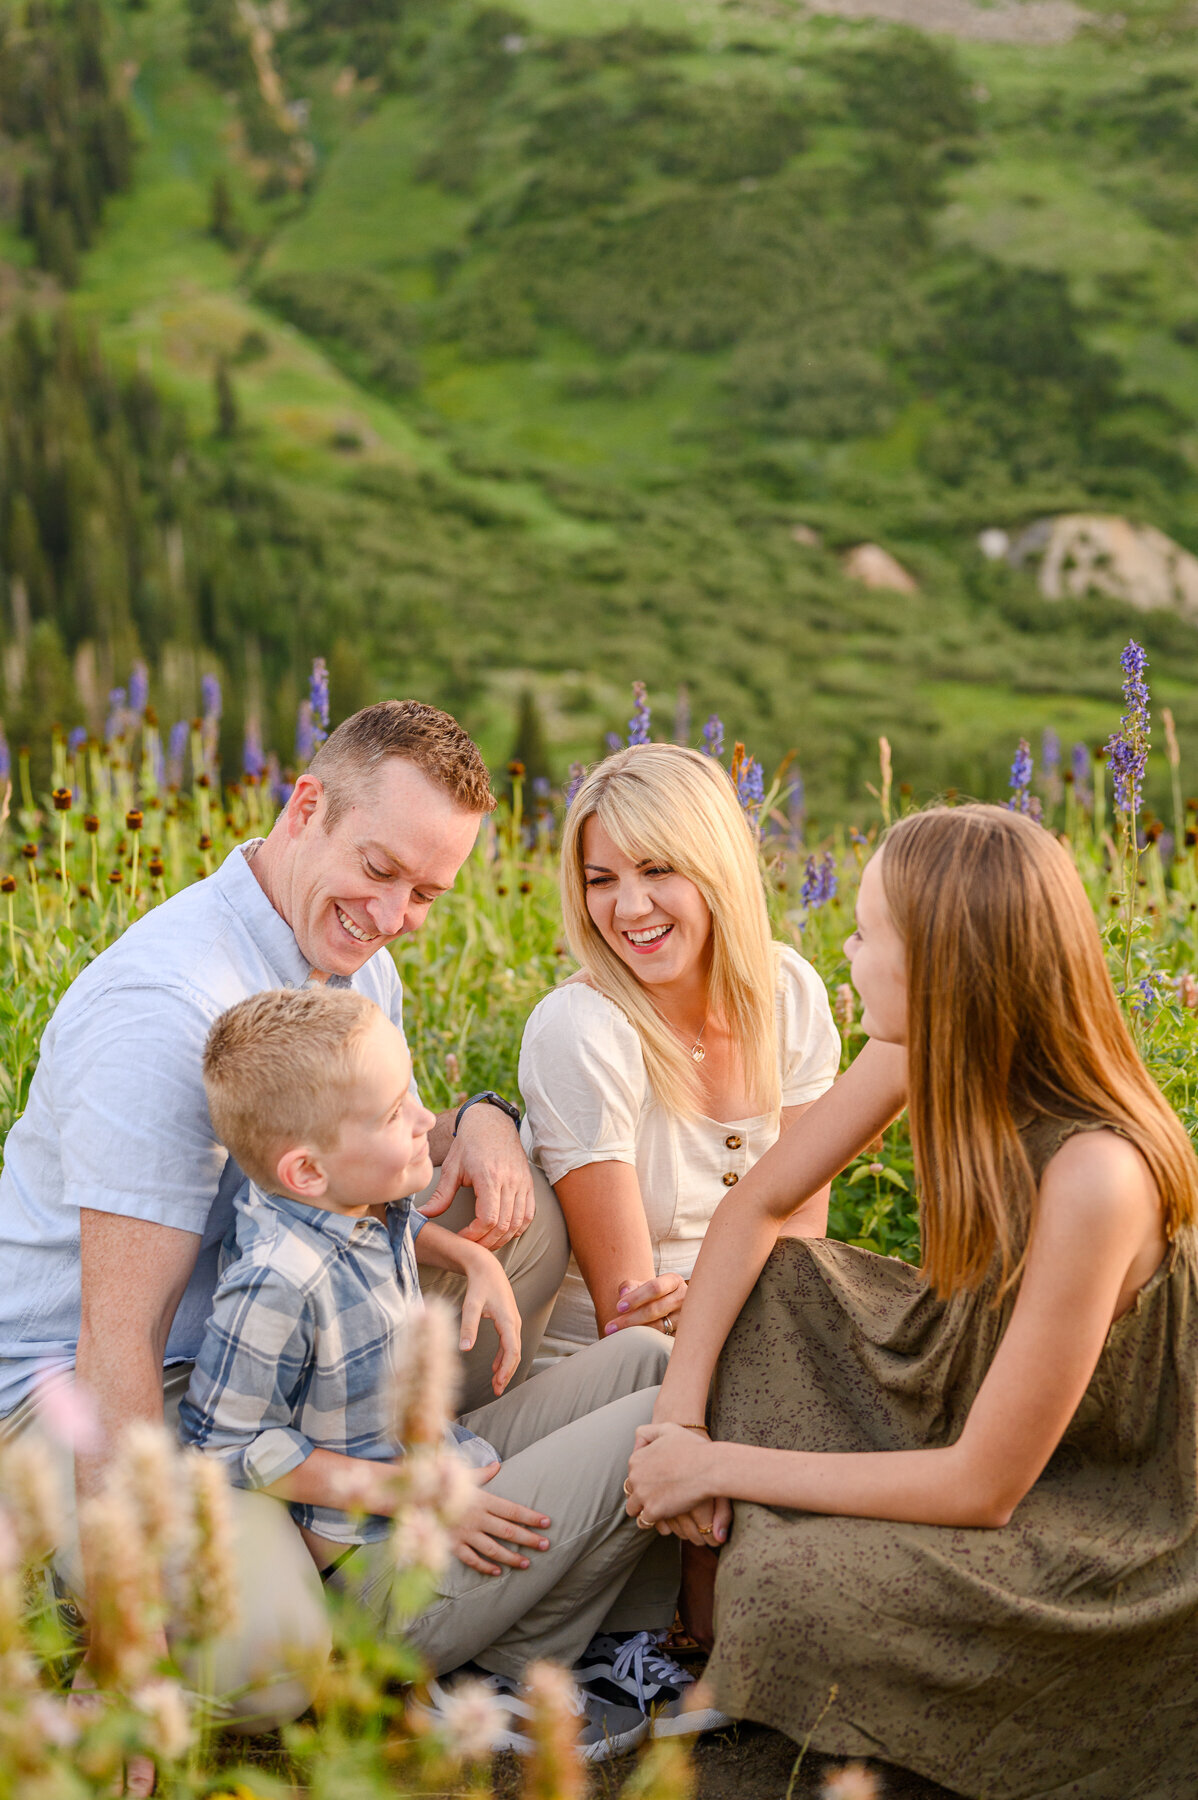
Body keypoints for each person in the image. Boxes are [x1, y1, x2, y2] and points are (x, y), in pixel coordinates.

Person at [0, 700, 568, 1732]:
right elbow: (114, 1335)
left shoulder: (352, 955)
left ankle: (367, 1495)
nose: (394, 915)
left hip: (270, 1322)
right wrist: (127, 1639)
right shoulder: (162, 1012)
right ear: (306, 806)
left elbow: (378, 1140)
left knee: (525, 1214)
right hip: (91, 1384)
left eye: (426, 893)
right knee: (267, 1670)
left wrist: (483, 1120)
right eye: (382, 871)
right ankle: (66, 1573)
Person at [624, 803, 1198, 1799]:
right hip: (963, 1381)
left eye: (862, 931)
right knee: (778, 1284)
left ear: (939, 964)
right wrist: (677, 1415)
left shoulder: (1096, 1174)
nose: (841, 949)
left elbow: (986, 1487)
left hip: (1097, 1514)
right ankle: (767, 1626)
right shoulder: (918, 1044)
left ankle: (793, 1639)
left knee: (790, 1589)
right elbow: (756, 1209)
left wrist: (710, 1460)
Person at [181, 985, 700, 1760]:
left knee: (652, 1365)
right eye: (395, 1115)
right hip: (390, 1576)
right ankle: (495, 1674)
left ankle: (604, 1640)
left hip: (438, 1466)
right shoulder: (274, 1279)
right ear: (307, 1169)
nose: (427, 1121)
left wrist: (468, 1252)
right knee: (658, 1428)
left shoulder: (349, 1203)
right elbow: (224, 1448)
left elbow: (393, 1225)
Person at [519, 743, 840, 1358]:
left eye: (658, 869)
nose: (630, 908)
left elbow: (802, 1232)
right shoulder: (583, 1027)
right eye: (602, 880)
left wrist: (716, 1296)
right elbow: (633, 1308)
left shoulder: (788, 994)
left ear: (716, 866)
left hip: (762, 1333)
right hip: (615, 1374)